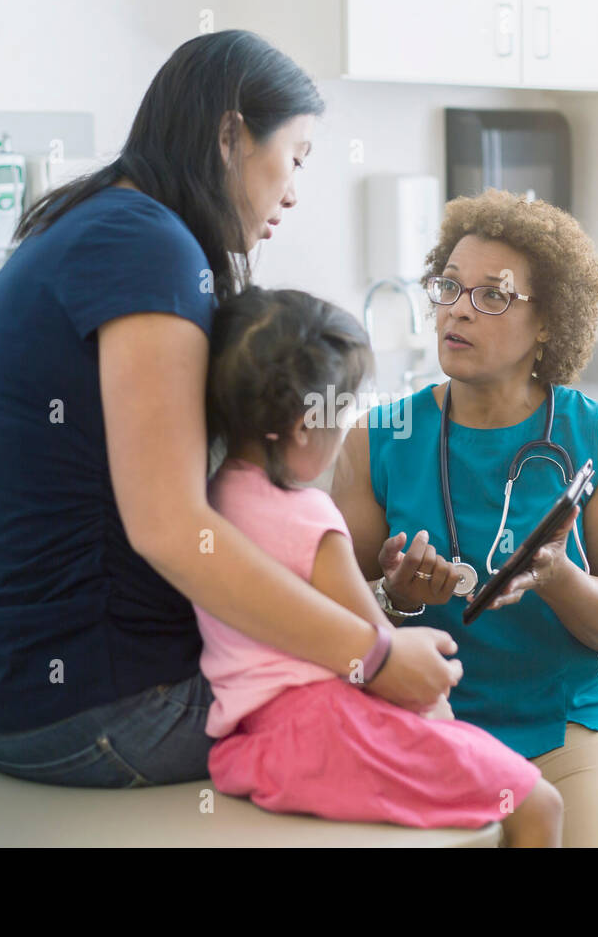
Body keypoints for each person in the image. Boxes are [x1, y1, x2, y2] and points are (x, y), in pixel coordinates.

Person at [0, 30, 459, 789]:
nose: (292, 192)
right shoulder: (149, 246)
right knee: (432, 735)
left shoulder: (89, 222)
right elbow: (171, 529)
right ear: (230, 134)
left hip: (6, 700)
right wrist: (375, 657)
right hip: (106, 709)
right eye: (296, 157)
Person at [331, 188, 598, 845]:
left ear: (548, 322)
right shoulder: (378, 438)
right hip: (430, 725)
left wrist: (558, 577)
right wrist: (397, 603)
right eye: (450, 287)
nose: (459, 309)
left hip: (576, 728)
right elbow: (330, 615)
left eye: (493, 295)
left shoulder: (597, 433)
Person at [196, 287, 563, 845]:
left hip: (251, 743)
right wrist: (442, 709)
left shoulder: (212, 498)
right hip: (330, 733)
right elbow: (381, 653)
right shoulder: (310, 518)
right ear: (302, 426)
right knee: (538, 802)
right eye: (340, 412)